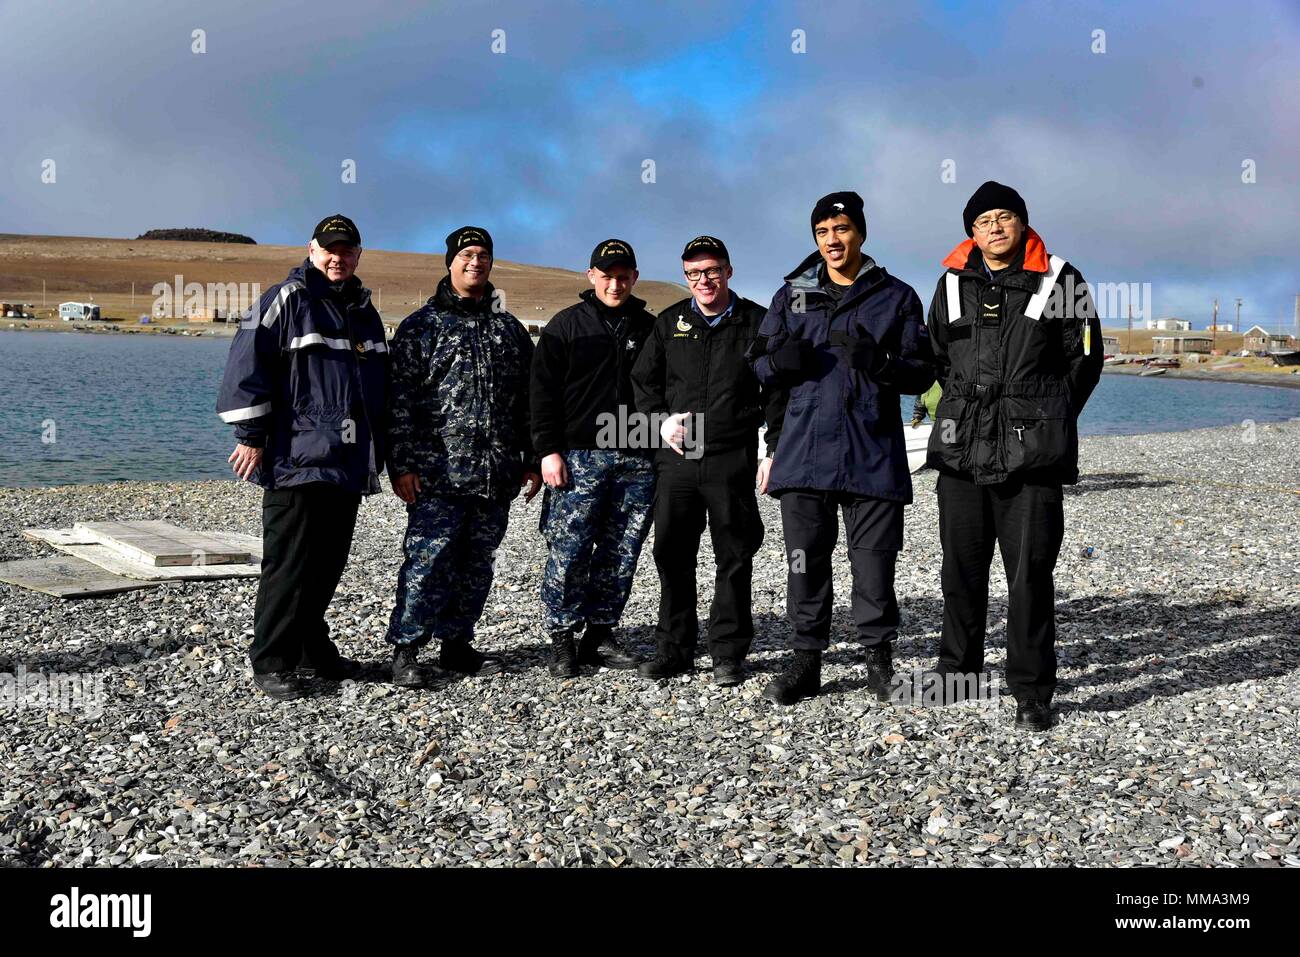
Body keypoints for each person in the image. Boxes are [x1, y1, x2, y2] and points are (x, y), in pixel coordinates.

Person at [925, 181, 1103, 731]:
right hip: (961, 454)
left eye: (1005, 217)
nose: (995, 228)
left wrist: (1045, 416)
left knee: (1029, 574)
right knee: (960, 570)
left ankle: (1031, 691)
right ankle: (958, 672)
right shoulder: (951, 283)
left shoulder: (1061, 277)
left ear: (1023, 223)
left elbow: (1086, 359)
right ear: (970, 231)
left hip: (1032, 459)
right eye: (983, 221)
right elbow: (938, 360)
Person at [748, 192, 935, 706]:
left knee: (874, 563)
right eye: (823, 233)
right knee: (804, 561)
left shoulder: (896, 297)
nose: (833, 241)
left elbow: (923, 371)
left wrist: (882, 362)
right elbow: (757, 364)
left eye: (842, 229)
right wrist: (779, 363)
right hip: (803, 450)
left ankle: (878, 659)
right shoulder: (793, 295)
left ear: (861, 233)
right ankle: (806, 659)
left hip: (871, 449)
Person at [216, 214, 388, 701]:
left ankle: (313, 647)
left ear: (358, 255)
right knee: (289, 563)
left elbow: (378, 392)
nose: (339, 257)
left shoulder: (364, 312)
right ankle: (271, 660)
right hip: (297, 458)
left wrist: (384, 455)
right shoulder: (285, 300)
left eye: (348, 250)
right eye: (330, 249)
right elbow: (247, 366)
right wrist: (251, 435)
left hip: (349, 463)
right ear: (312, 250)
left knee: (328, 562)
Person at [385, 227, 541, 686]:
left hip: (495, 474)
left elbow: (528, 402)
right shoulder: (421, 327)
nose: (476, 262)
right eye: (467, 255)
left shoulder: (509, 329)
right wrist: (402, 465)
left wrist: (531, 459)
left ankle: (457, 644)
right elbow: (399, 402)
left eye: (484, 255)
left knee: (477, 562)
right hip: (437, 474)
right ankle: (407, 647)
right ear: (450, 262)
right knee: (428, 560)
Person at [630, 235, 783, 686]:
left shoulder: (758, 322)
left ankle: (728, 653)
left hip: (731, 458)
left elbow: (777, 393)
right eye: (694, 274)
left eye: (712, 271)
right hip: (676, 460)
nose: (704, 280)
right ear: (685, 277)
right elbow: (644, 382)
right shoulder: (669, 322)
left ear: (729, 271)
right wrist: (657, 423)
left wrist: (772, 451)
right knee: (672, 553)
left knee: (734, 555)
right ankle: (673, 648)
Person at [530, 239, 657, 678]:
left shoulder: (649, 327)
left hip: (636, 456)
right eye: (607, 276)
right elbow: (541, 394)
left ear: (634, 277)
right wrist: (547, 451)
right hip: (579, 456)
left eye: (624, 276)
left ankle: (599, 636)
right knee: (569, 548)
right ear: (591, 276)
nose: (615, 284)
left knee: (622, 550)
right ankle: (562, 639)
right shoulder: (566, 326)